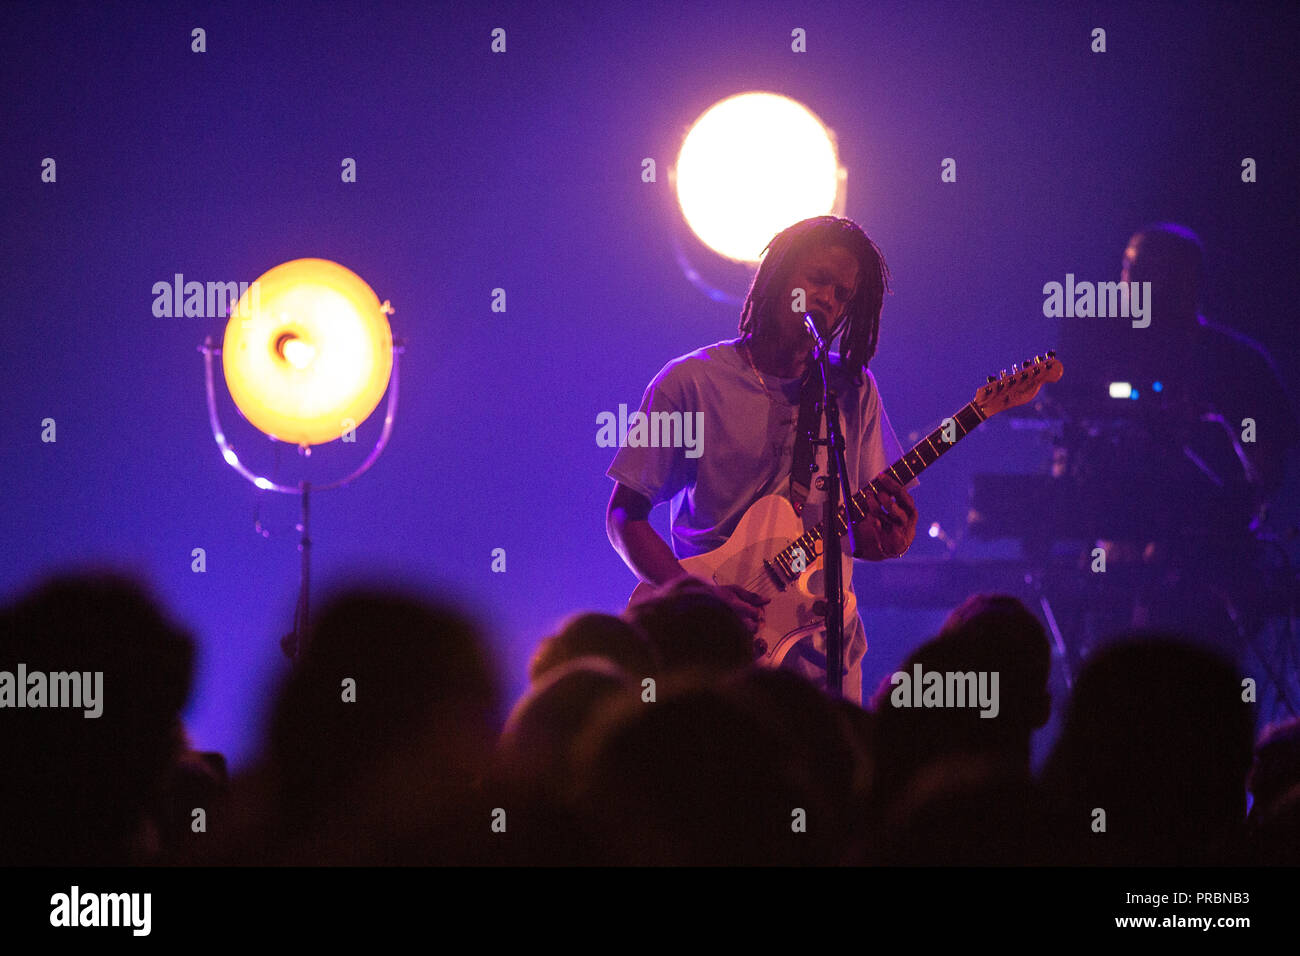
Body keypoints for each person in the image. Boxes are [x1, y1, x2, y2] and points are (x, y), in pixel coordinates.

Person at [605, 215, 917, 703]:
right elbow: (625, 514)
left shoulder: (854, 390)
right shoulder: (690, 383)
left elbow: (855, 534)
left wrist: (888, 540)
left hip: (821, 651)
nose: (828, 300)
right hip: (713, 640)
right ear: (778, 275)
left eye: (843, 294)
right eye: (817, 279)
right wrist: (692, 593)